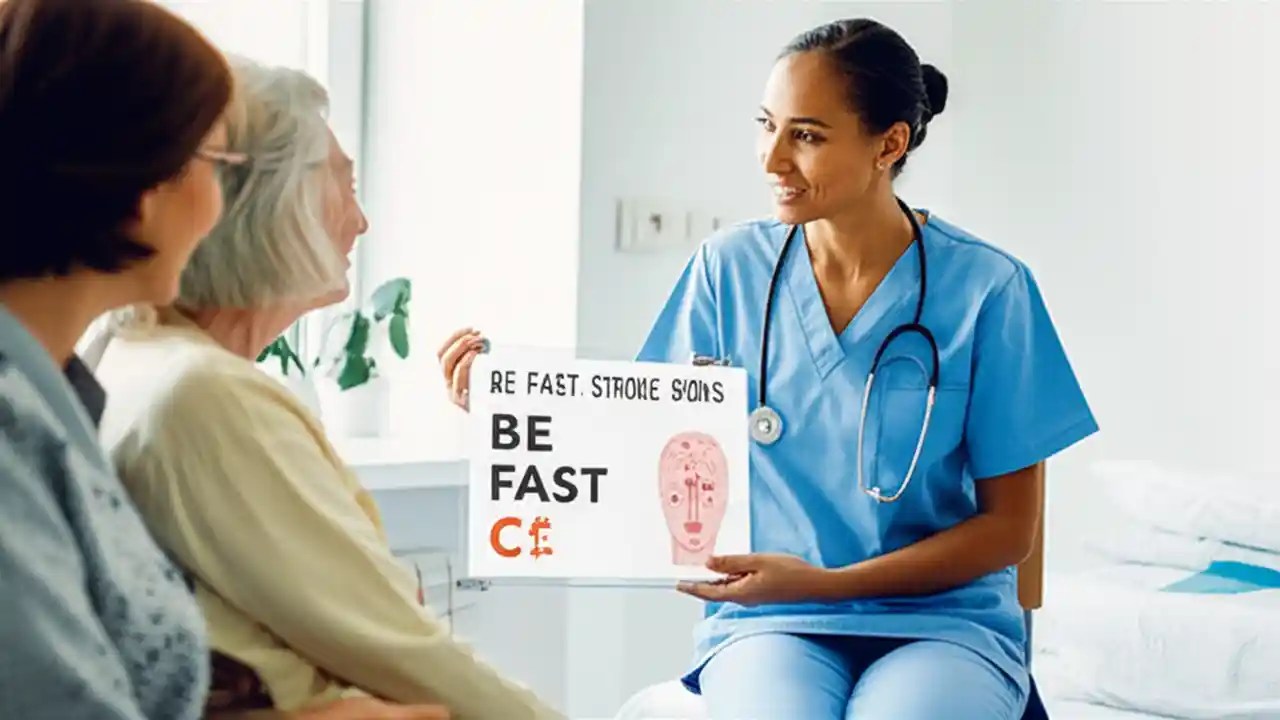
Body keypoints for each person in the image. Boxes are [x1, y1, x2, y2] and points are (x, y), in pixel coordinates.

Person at [439, 17, 1098, 720]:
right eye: (767, 125)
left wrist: (829, 583)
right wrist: (509, 403)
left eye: (806, 136)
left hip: (944, 626)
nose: (771, 159)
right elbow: (637, 441)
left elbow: (1009, 532)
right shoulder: (727, 272)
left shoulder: (989, 290)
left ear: (890, 143)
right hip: (771, 623)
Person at [0, 1, 448, 719]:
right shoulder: (40, 423)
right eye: (213, 164)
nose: (223, 204)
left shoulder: (68, 382)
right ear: (141, 189)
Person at [89, 54, 566, 720]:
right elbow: (398, 647)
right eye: (344, 186)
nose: (361, 221)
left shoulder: (136, 352)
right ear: (271, 202)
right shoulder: (205, 395)